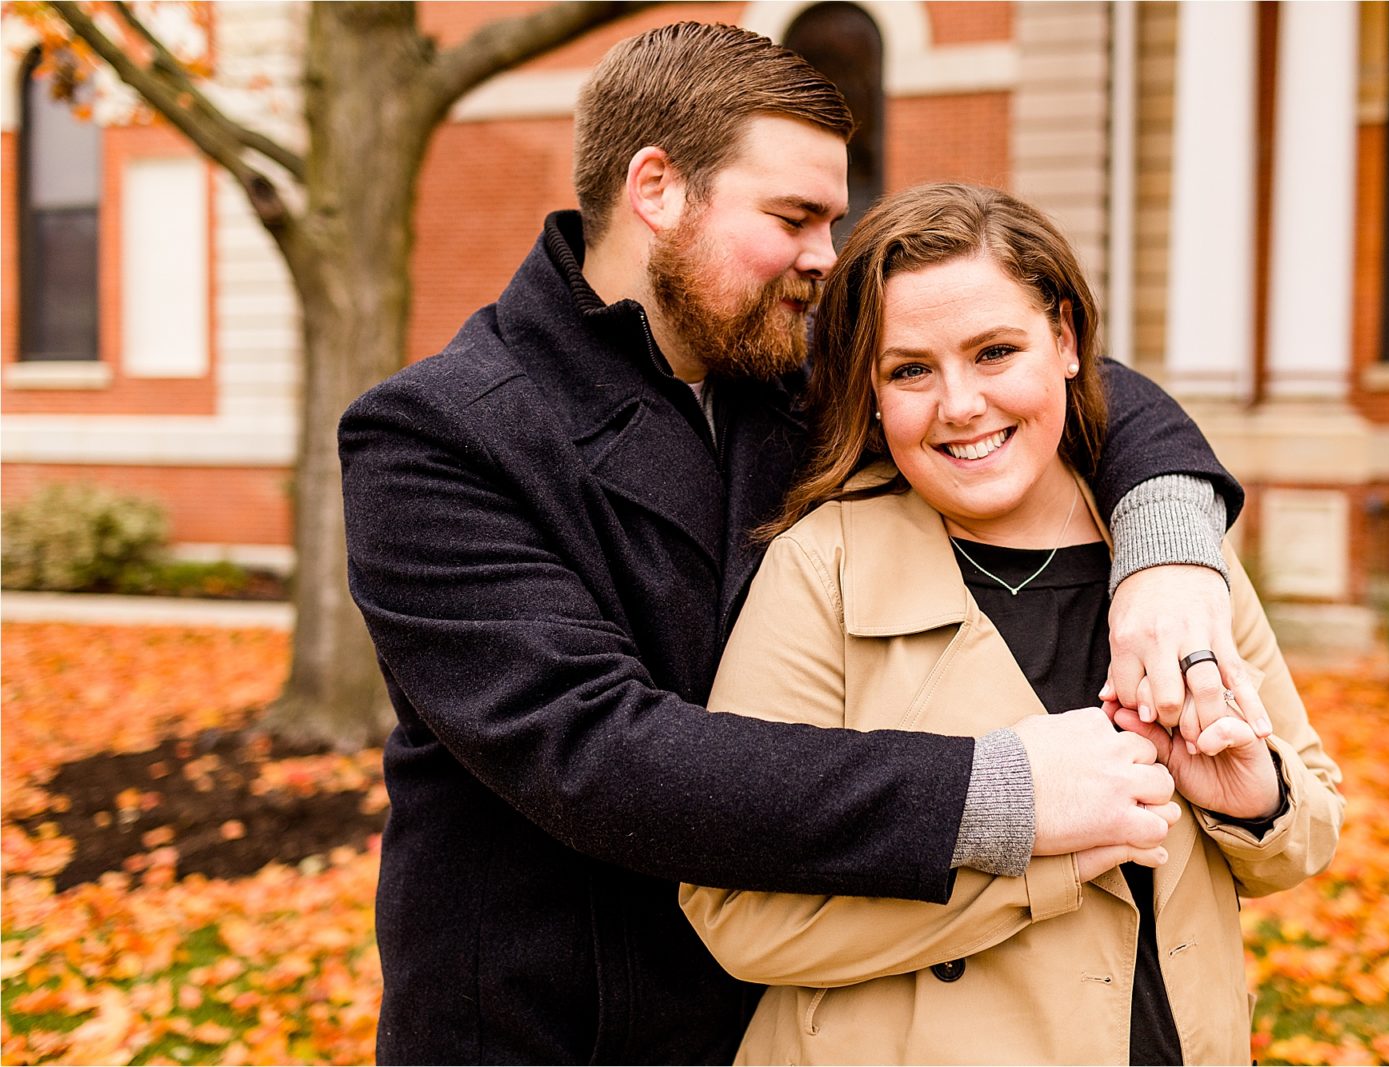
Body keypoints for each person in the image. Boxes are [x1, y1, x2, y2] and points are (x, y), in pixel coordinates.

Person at [340, 22, 1259, 1066]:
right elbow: (596, 751)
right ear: (657, 189)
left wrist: (1168, 556)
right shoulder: (436, 434)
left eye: (833, 217)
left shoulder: (781, 363)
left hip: (788, 1013)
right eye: (795, 217)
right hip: (553, 1026)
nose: (827, 254)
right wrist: (1000, 788)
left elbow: (1063, 381)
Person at [680, 183, 1345, 1065]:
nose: (960, 404)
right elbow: (737, 912)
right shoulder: (819, 570)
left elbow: (1309, 825)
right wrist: (1044, 857)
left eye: (995, 351)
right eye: (910, 370)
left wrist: (1253, 797)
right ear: (870, 390)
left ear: (1065, 341)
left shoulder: (1172, 561)